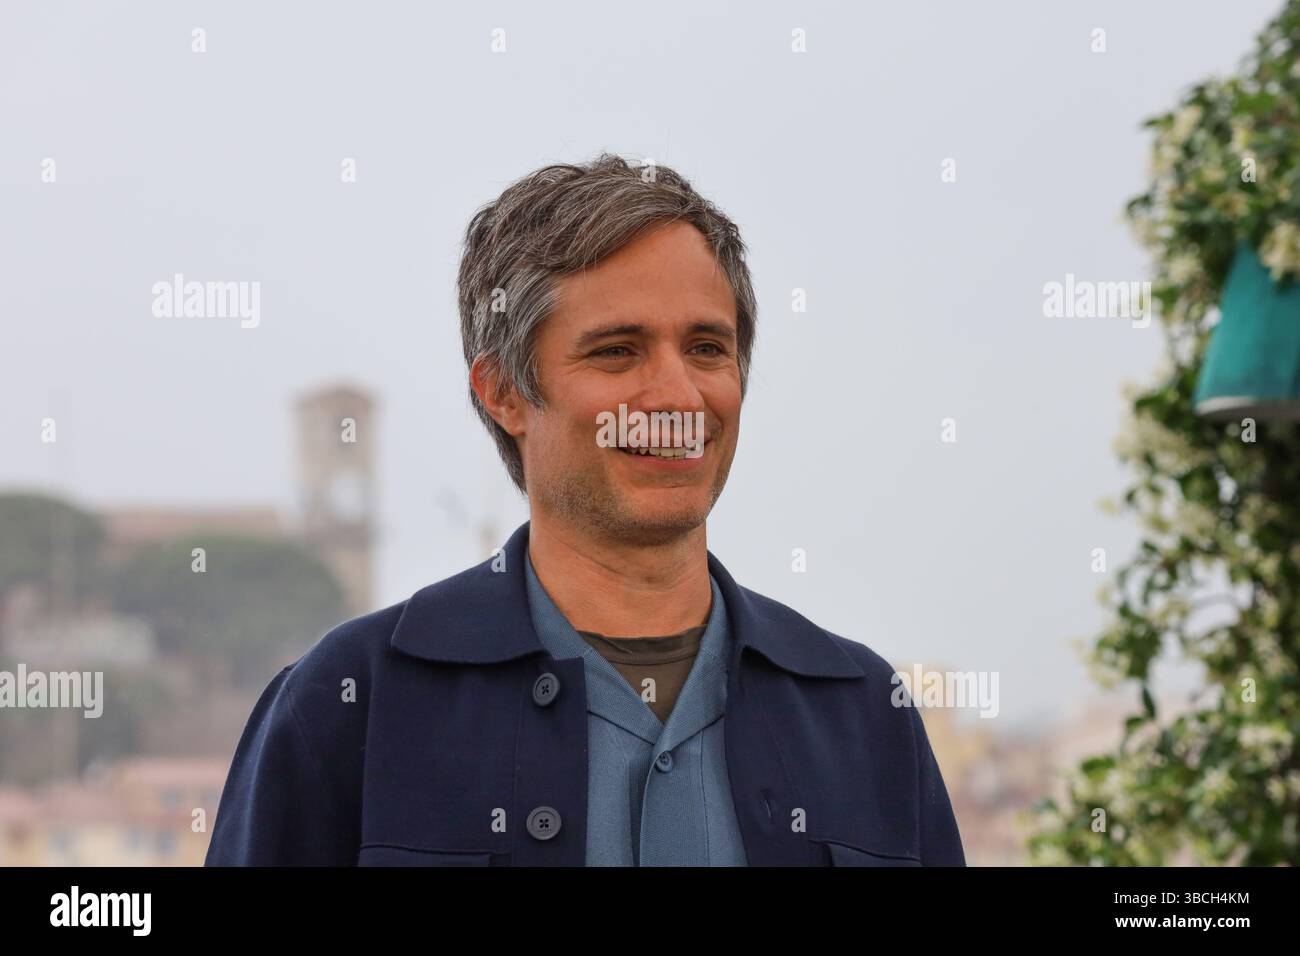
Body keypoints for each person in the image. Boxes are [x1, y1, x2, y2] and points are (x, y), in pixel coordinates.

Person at [205, 153, 966, 866]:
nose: (677, 396)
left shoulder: (865, 716)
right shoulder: (350, 707)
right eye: (617, 351)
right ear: (503, 392)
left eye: (707, 348)